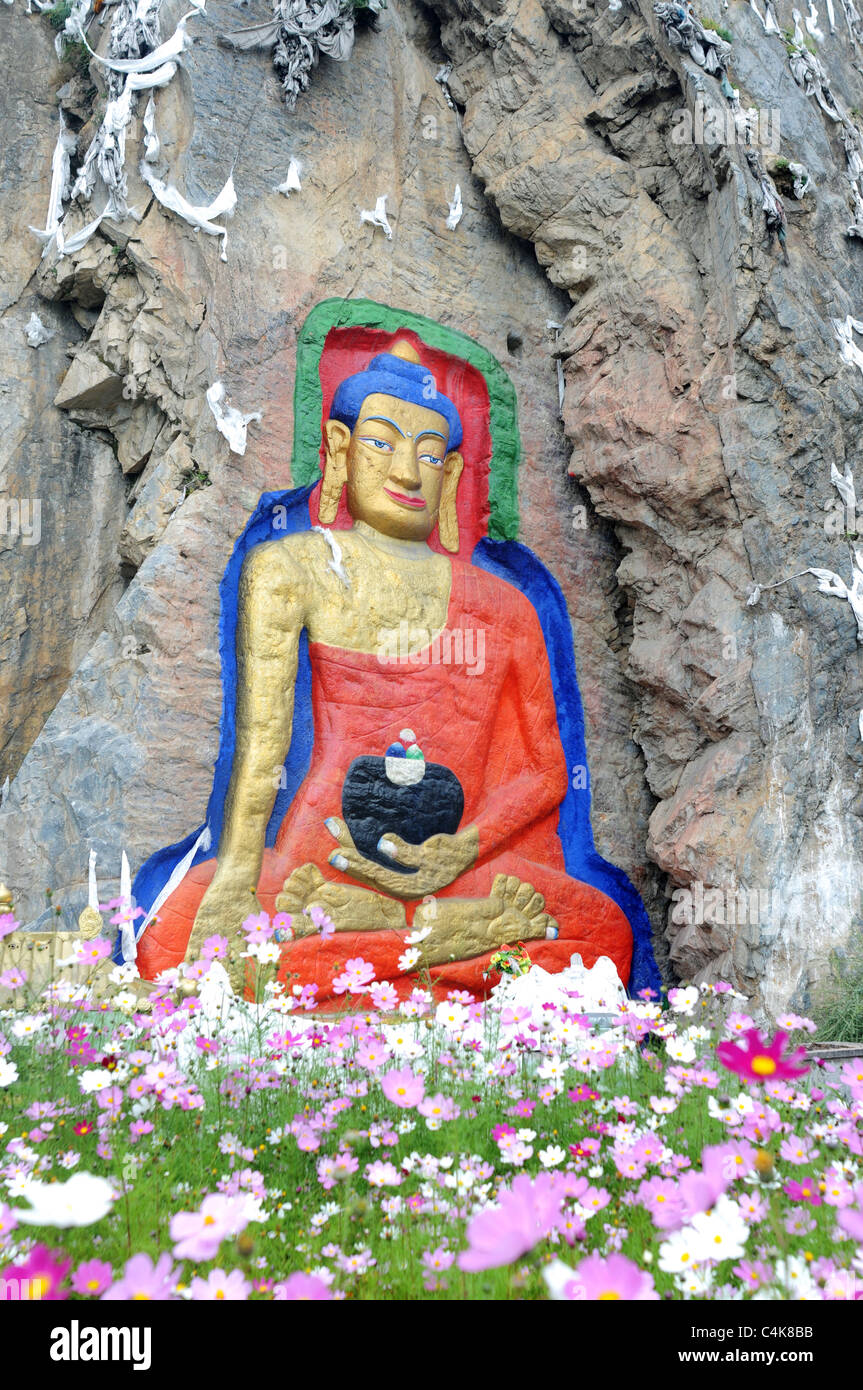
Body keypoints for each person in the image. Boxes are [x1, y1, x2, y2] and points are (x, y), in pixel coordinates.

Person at [134, 341, 634, 1004]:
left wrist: (465, 849)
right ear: (338, 448)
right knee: (170, 942)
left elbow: (545, 770)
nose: (406, 470)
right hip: (325, 862)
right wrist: (233, 880)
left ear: (454, 473)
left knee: (605, 931)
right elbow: (261, 751)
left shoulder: (504, 605)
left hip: (462, 865)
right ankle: (447, 947)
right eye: (380, 443)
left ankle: (384, 947)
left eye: (430, 454)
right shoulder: (292, 566)